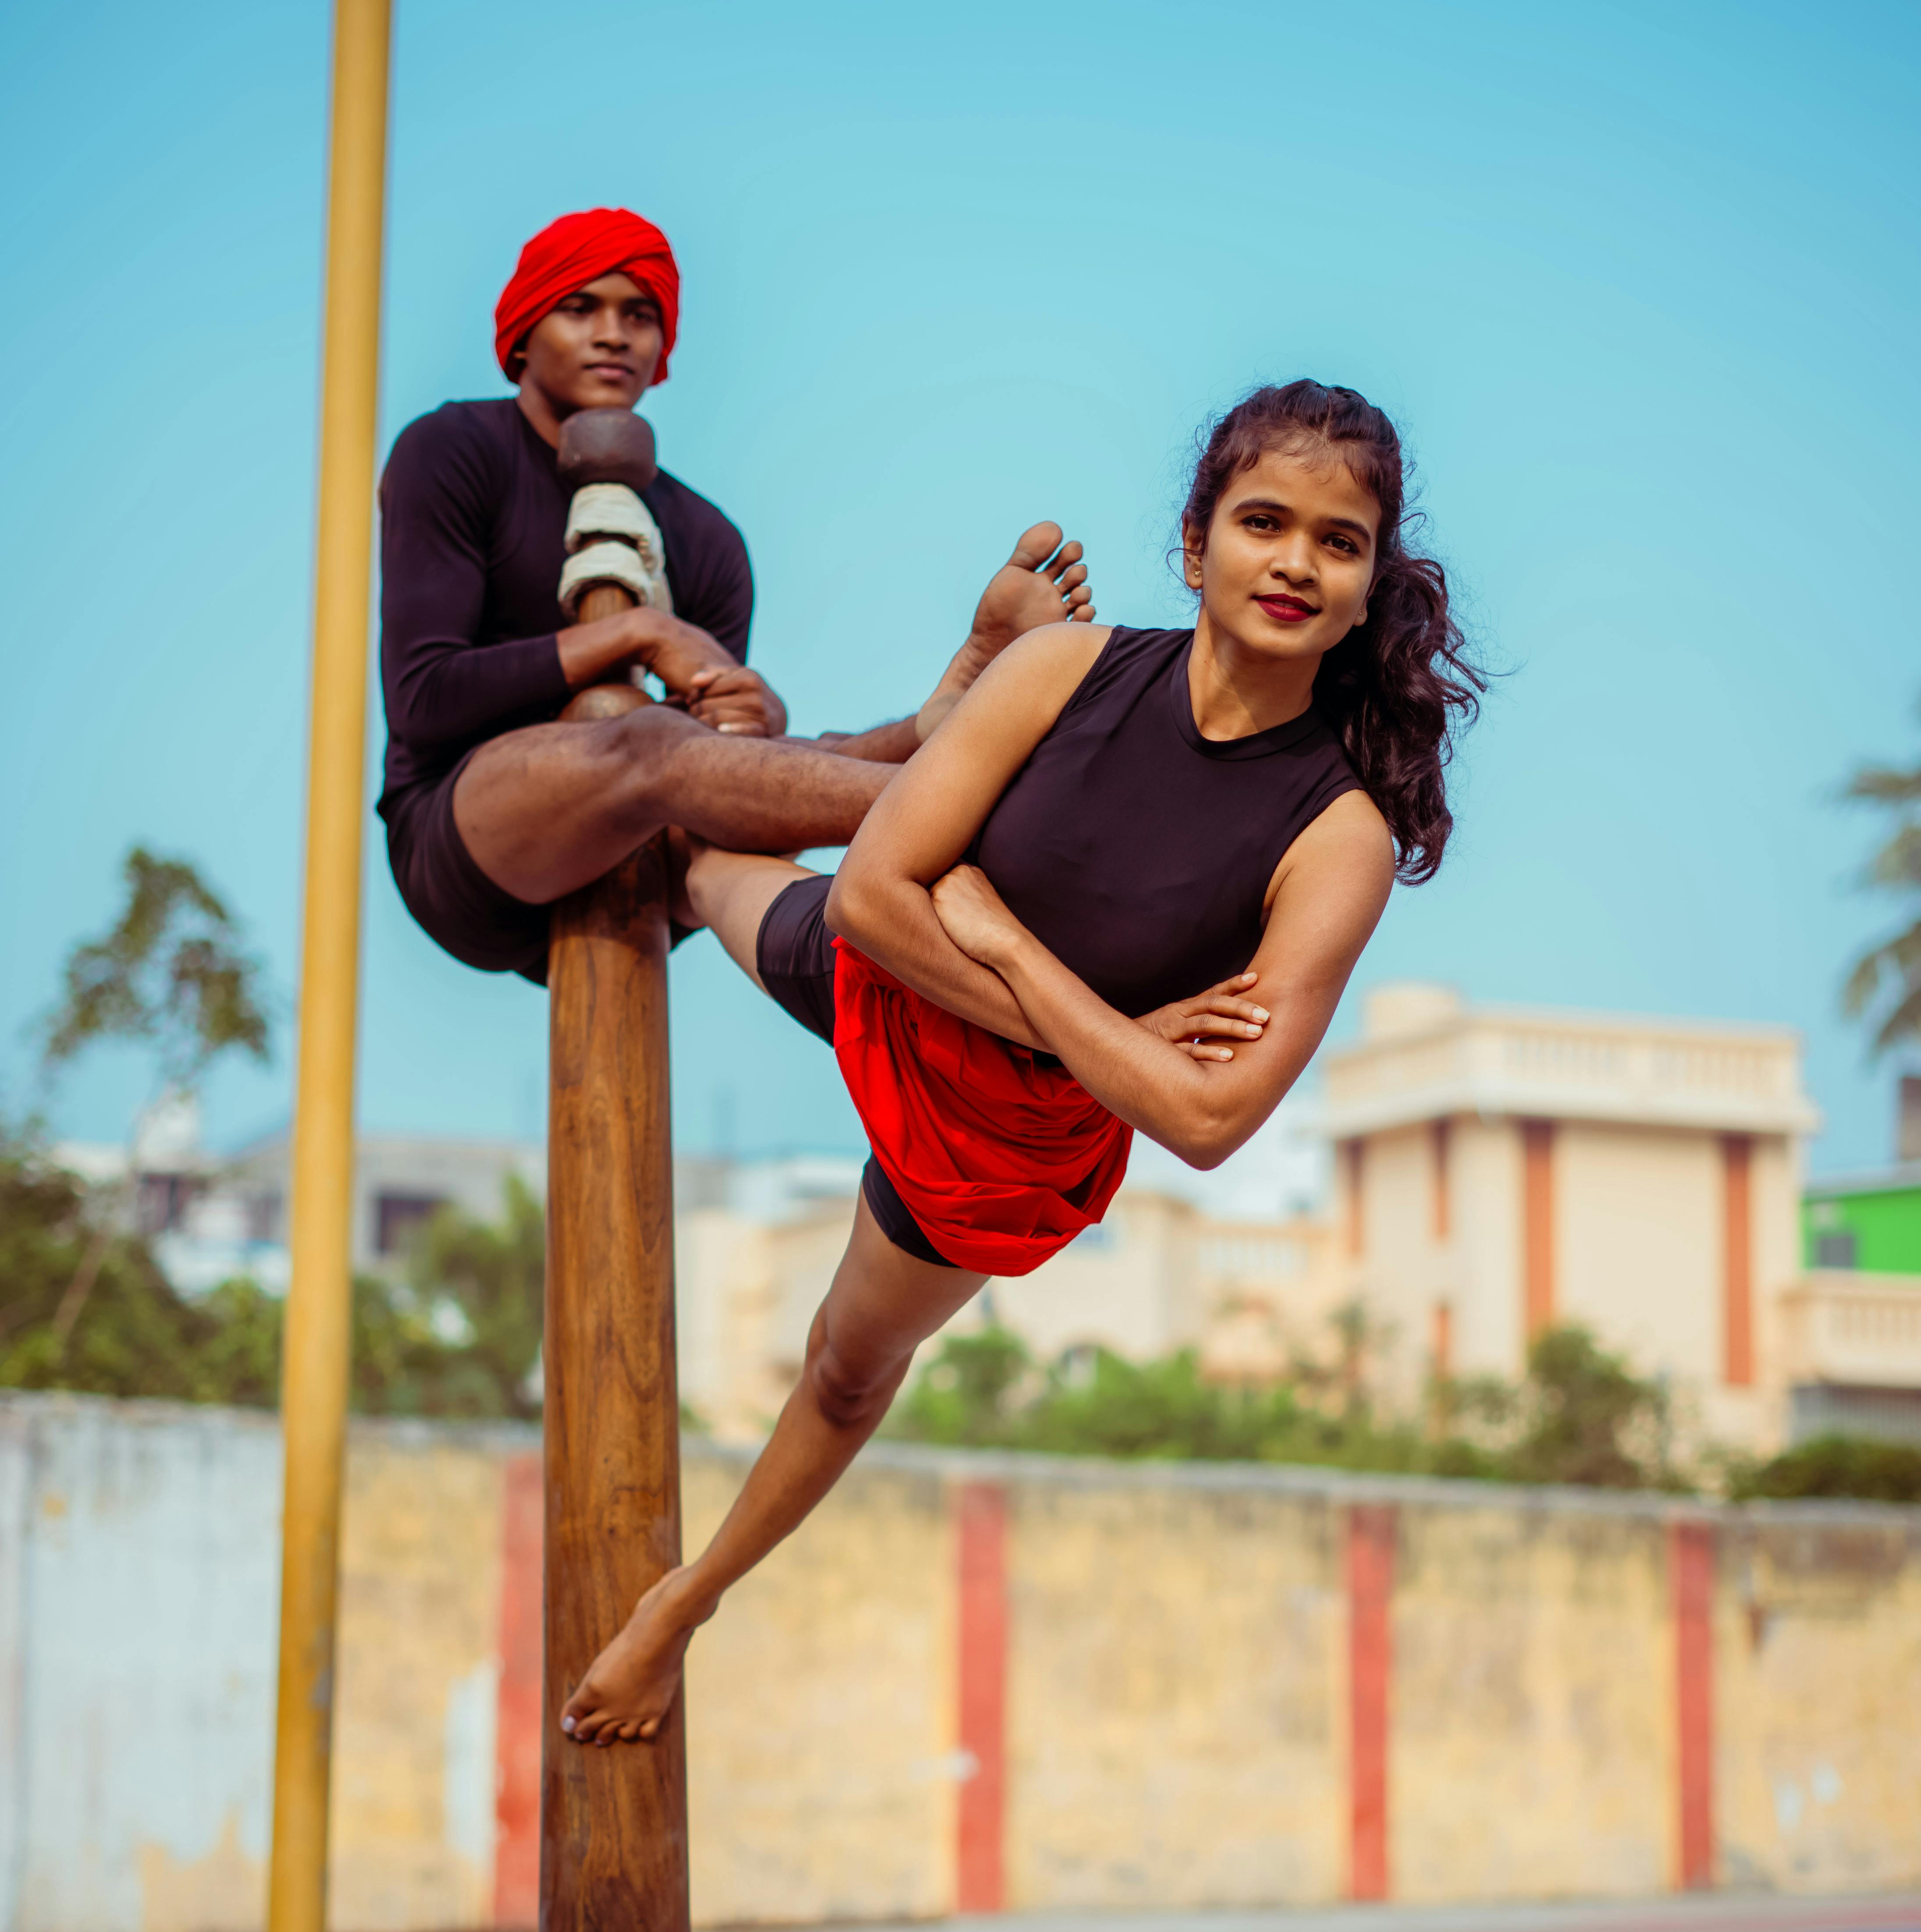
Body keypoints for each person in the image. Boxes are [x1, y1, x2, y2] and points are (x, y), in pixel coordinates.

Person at [562, 379, 1487, 1745]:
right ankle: (913, 712)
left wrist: (1004, 941)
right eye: (1262, 522)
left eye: (1336, 542)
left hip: (994, 1145)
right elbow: (869, 896)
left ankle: (682, 1605)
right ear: (1194, 545)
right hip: (884, 985)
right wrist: (1112, 1033)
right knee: (698, 862)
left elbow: (1209, 1120)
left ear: (1363, 592)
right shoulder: (1063, 668)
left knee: (841, 1368)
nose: (1294, 560)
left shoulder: (1333, 835)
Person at [377, 205, 1095, 981]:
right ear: (522, 333)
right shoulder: (453, 451)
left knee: (746, 758)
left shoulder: (705, 538)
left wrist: (746, 713)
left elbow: (720, 762)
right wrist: (641, 633)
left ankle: (929, 728)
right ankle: (971, 802)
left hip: (657, 851)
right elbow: (424, 701)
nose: (614, 334)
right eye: (580, 308)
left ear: (662, 348)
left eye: (639, 315)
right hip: (469, 846)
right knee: (642, 738)